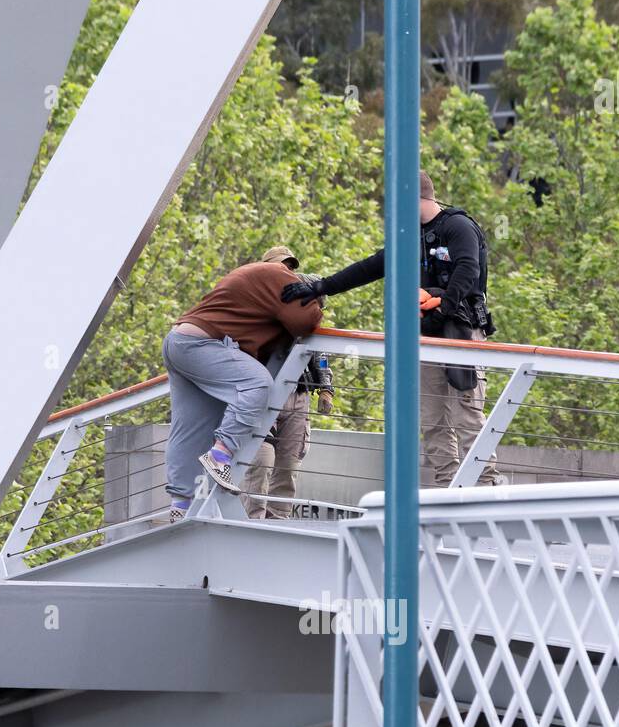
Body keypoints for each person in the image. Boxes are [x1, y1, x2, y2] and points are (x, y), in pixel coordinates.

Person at [282, 169, 498, 487]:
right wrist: (319, 288)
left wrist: (444, 307)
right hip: (424, 337)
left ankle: (484, 486)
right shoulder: (409, 236)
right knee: (433, 417)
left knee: (467, 413)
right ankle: (448, 485)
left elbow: (468, 270)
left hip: (460, 332)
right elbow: (371, 266)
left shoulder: (458, 227)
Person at [163, 256, 324, 520]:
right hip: (203, 346)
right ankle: (220, 454)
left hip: (180, 342)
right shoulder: (282, 279)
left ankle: (180, 507)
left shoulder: (255, 276)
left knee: (191, 427)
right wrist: (316, 307)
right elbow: (304, 321)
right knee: (257, 383)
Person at [241, 247, 334, 519]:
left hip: (298, 393)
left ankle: (278, 523)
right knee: (260, 460)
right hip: (262, 393)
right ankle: (252, 522)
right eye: (280, 266)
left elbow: (321, 351)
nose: (286, 272)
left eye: (289, 267)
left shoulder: (301, 293)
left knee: (289, 465)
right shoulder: (252, 298)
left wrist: (326, 387)